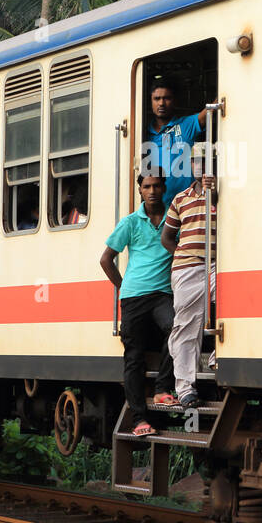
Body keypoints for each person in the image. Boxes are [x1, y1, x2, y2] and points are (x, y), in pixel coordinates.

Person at [100, 173, 176, 436]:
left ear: (164, 188)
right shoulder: (130, 222)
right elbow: (106, 259)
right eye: (146, 187)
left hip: (162, 294)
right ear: (140, 191)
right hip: (133, 296)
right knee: (134, 357)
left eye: (156, 186)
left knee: (175, 329)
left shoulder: (173, 217)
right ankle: (139, 421)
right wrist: (123, 288)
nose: (152, 191)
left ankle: (162, 389)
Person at [161, 158, 216, 409]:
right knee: (186, 325)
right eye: (196, 162)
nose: (200, 166)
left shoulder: (222, 193)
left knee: (239, 306)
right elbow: (167, 237)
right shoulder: (180, 199)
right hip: (187, 268)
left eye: (205, 162)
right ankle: (185, 388)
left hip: (219, 265)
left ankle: (218, 358)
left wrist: (213, 194)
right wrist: (184, 257)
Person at [145, 81, 209, 207]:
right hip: (158, 207)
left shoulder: (186, 125)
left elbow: (210, 111)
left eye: (167, 98)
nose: (161, 103)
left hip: (187, 205)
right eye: (157, 99)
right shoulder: (143, 132)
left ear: (174, 101)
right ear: (150, 102)